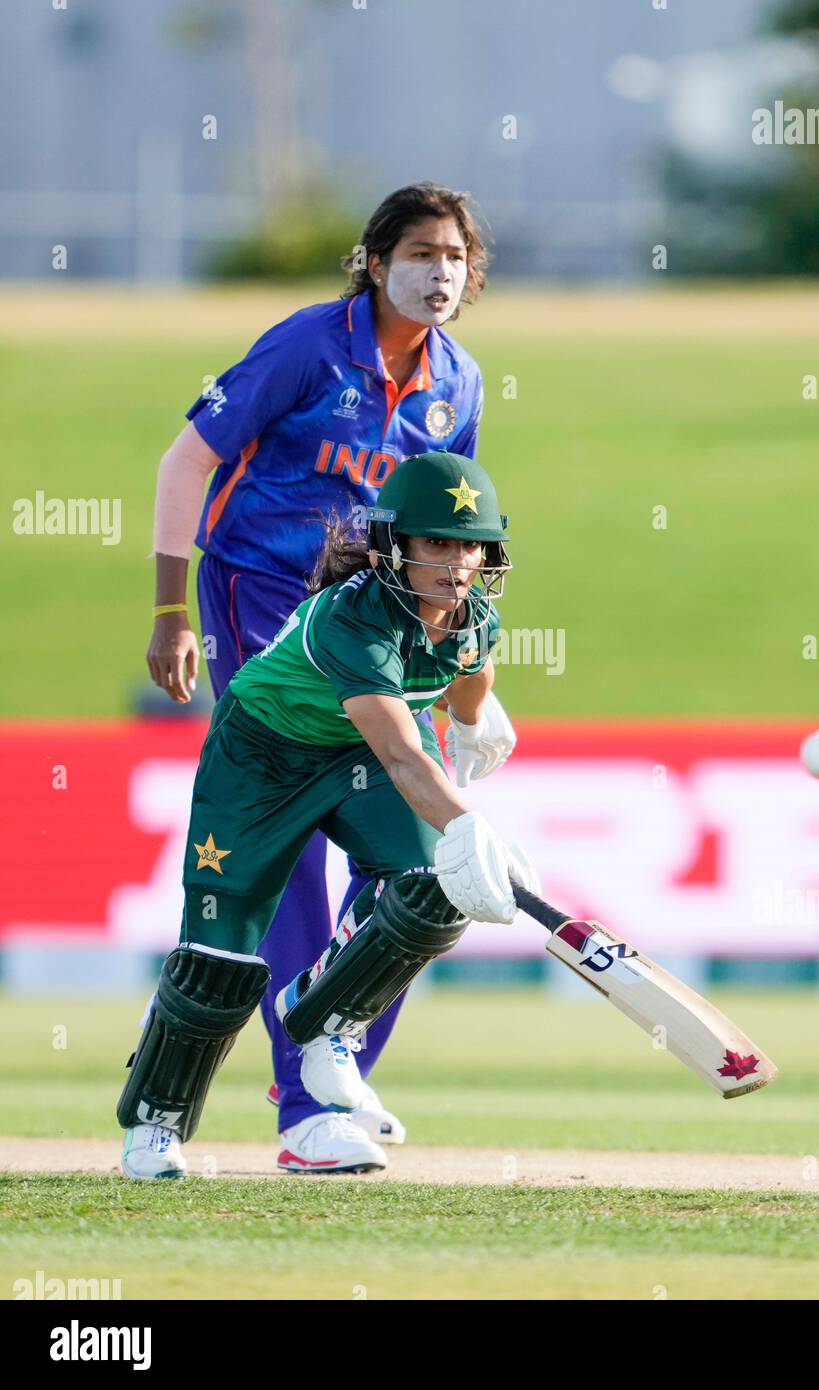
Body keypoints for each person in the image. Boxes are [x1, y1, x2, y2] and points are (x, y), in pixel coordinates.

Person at [145, 182, 494, 1171]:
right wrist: (171, 613)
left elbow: (447, 541)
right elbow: (185, 465)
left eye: (457, 257)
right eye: (420, 254)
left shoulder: (459, 385)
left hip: (374, 628)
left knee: (421, 866)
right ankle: (304, 1110)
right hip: (258, 600)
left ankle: (326, 1047)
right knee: (289, 835)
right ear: (376, 262)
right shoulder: (307, 347)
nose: (441, 273)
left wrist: (464, 681)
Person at [120, 451, 537, 1179]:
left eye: (470, 544)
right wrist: (471, 826)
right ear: (392, 547)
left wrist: (473, 727)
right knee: (219, 959)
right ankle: (155, 1126)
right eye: (436, 542)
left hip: (356, 757)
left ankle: (325, 1031)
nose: (458, 562)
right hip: (261, 758)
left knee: (430, 887)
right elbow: (407, 758)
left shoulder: (473, 618)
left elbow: (470, 672)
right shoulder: (355, 621)